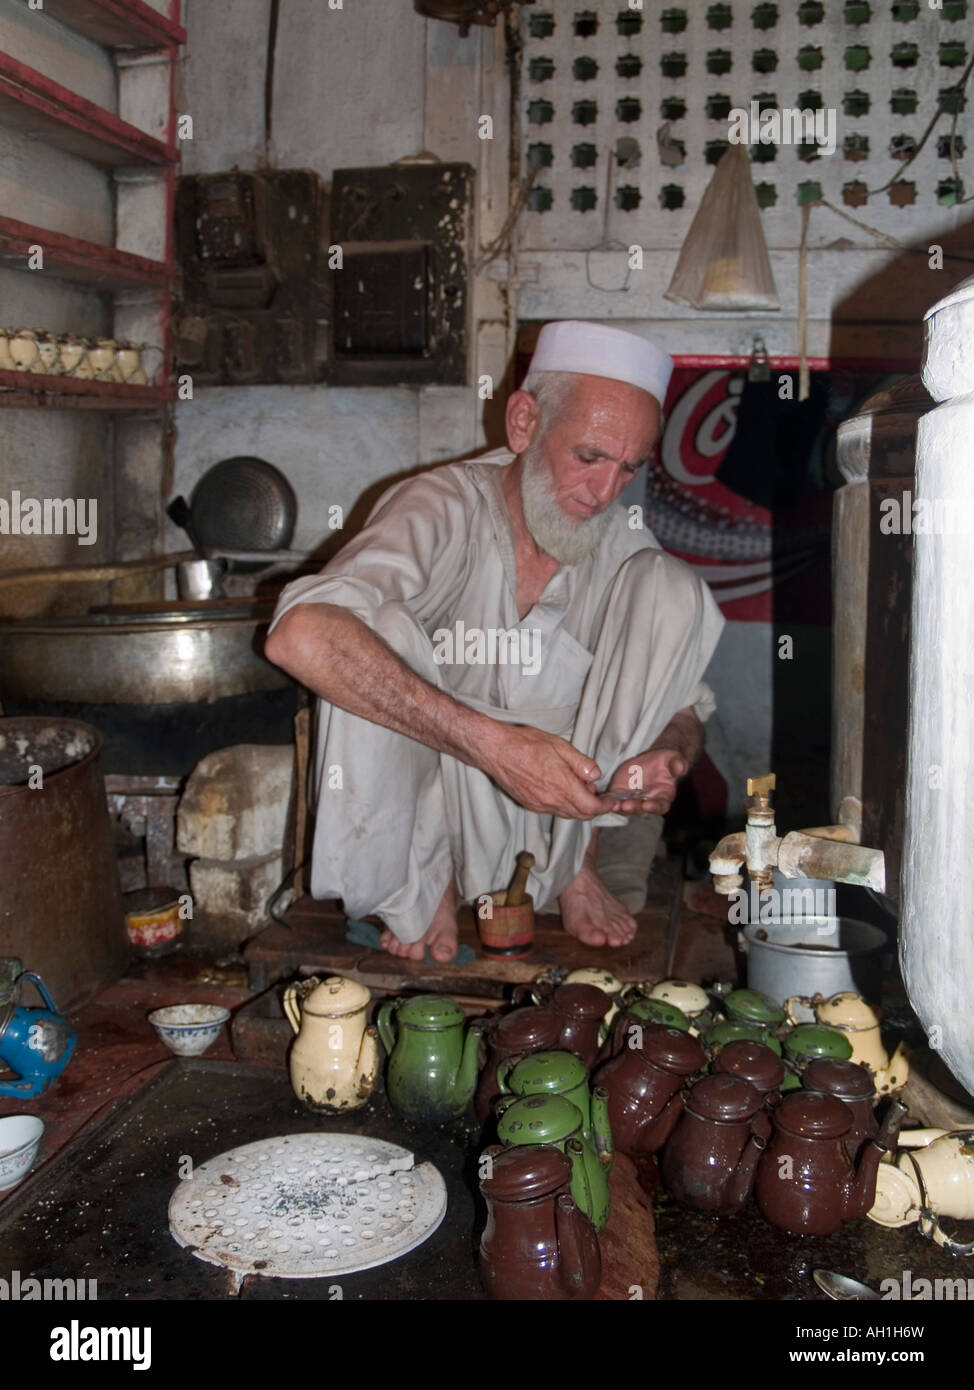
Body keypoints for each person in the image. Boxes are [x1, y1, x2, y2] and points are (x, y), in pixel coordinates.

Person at [265, 320, 725, 963]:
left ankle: (576, 867)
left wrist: (668, 755)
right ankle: (421, 890)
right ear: (524, 424)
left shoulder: (620, 545)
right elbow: (299, 636)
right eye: (589, 457)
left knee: (671, 587)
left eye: (629, 469)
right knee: (377, 629)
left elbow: (683, 707)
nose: (604, 492)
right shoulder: (443, 507)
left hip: (560, 814)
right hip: (432, 798)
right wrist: (492, 744)